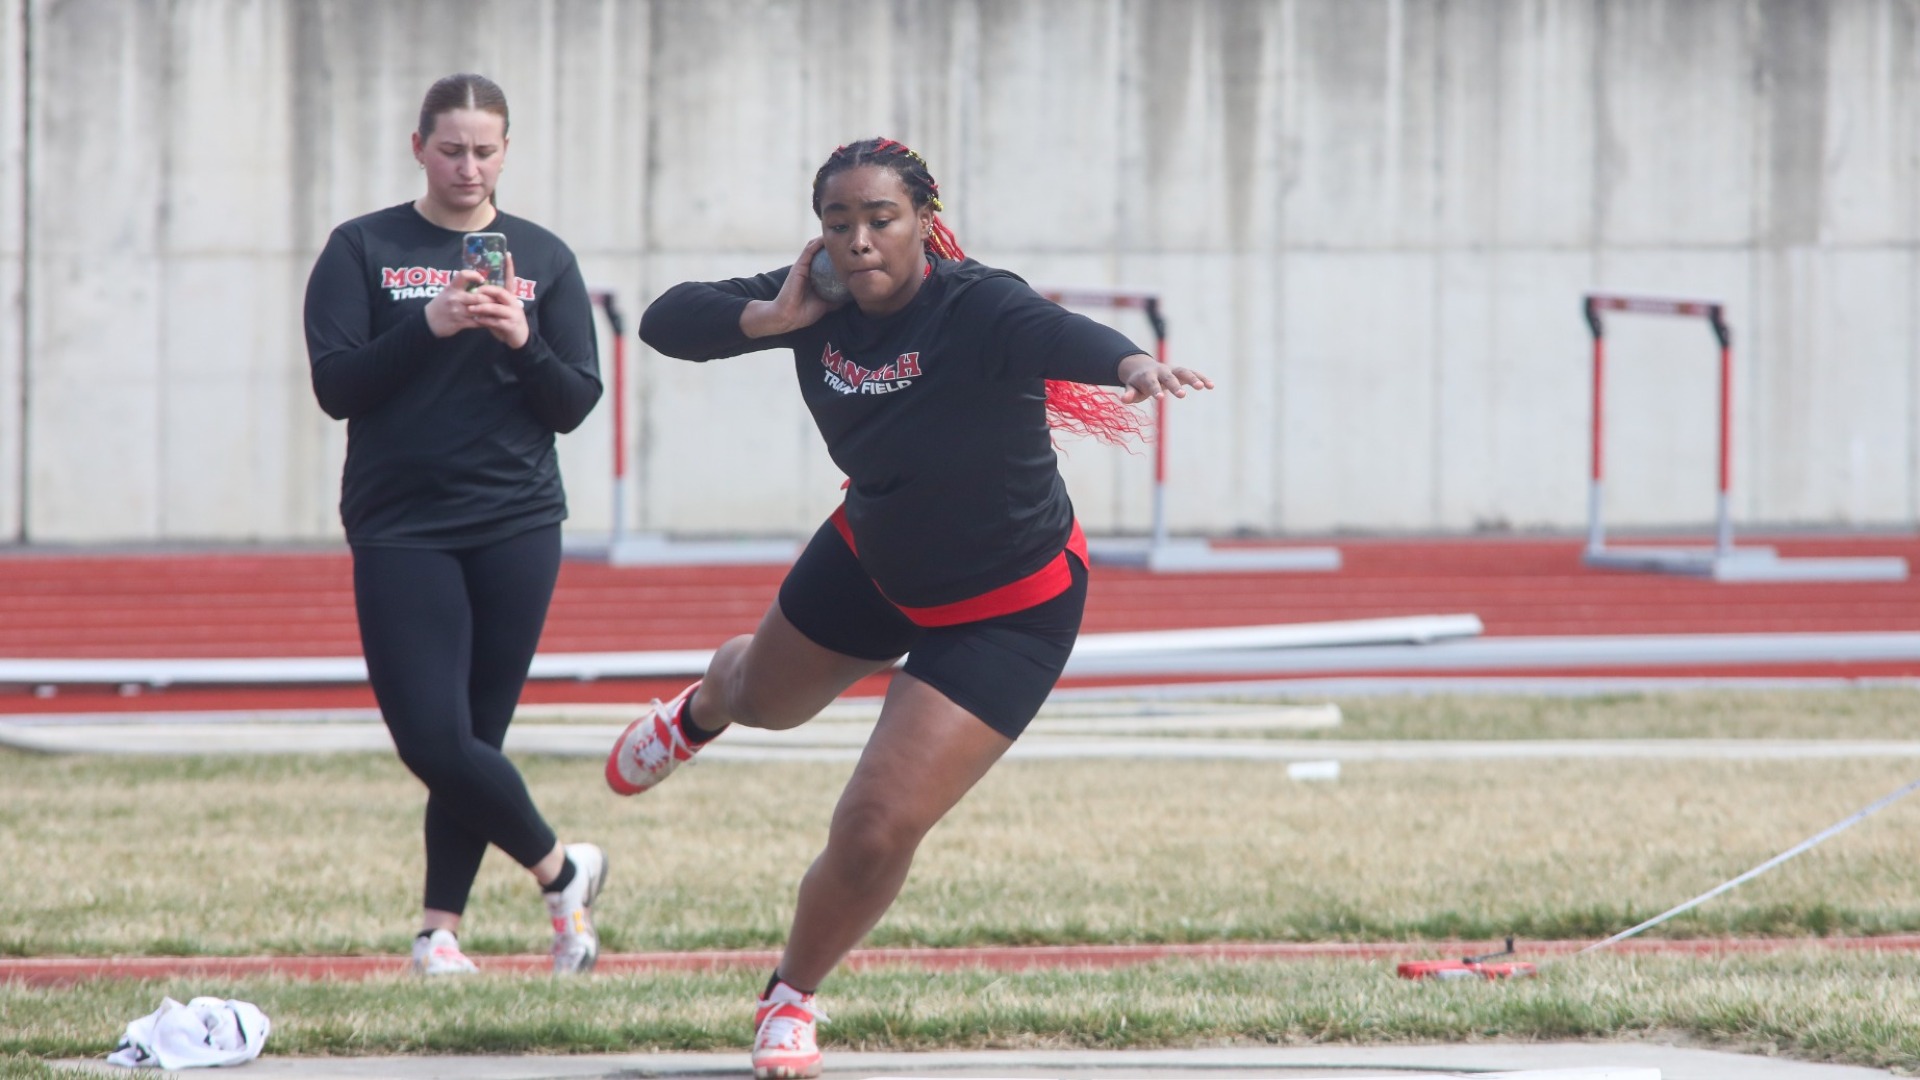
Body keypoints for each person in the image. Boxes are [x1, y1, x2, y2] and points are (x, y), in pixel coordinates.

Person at [610, 137, 1214, 1078]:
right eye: (838, 223)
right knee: (762, 700)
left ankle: (791, 995)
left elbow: (1065, 336)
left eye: (880, 220)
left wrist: (1134, 365)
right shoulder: (813, 297)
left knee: (876, 823)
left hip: (1006, 609)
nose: (858, 241)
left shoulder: (978, 303)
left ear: (924, 222)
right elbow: (664, 322)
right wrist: (770, 315)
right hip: (870, 559)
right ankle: (698, 711)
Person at [304, 73, 607, 976]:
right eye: (451, 149)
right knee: (431, 738)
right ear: (418, 148)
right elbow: (335, 387)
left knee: (476, 737)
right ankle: (563, 872)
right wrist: (429, 324)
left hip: (516, 522)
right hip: (402, 523)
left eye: (484, 150)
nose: (467, 166)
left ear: (506, 153)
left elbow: (573, 402)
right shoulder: (362, 248)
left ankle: (439, 931)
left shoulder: (543, 257)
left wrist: (524, 339)